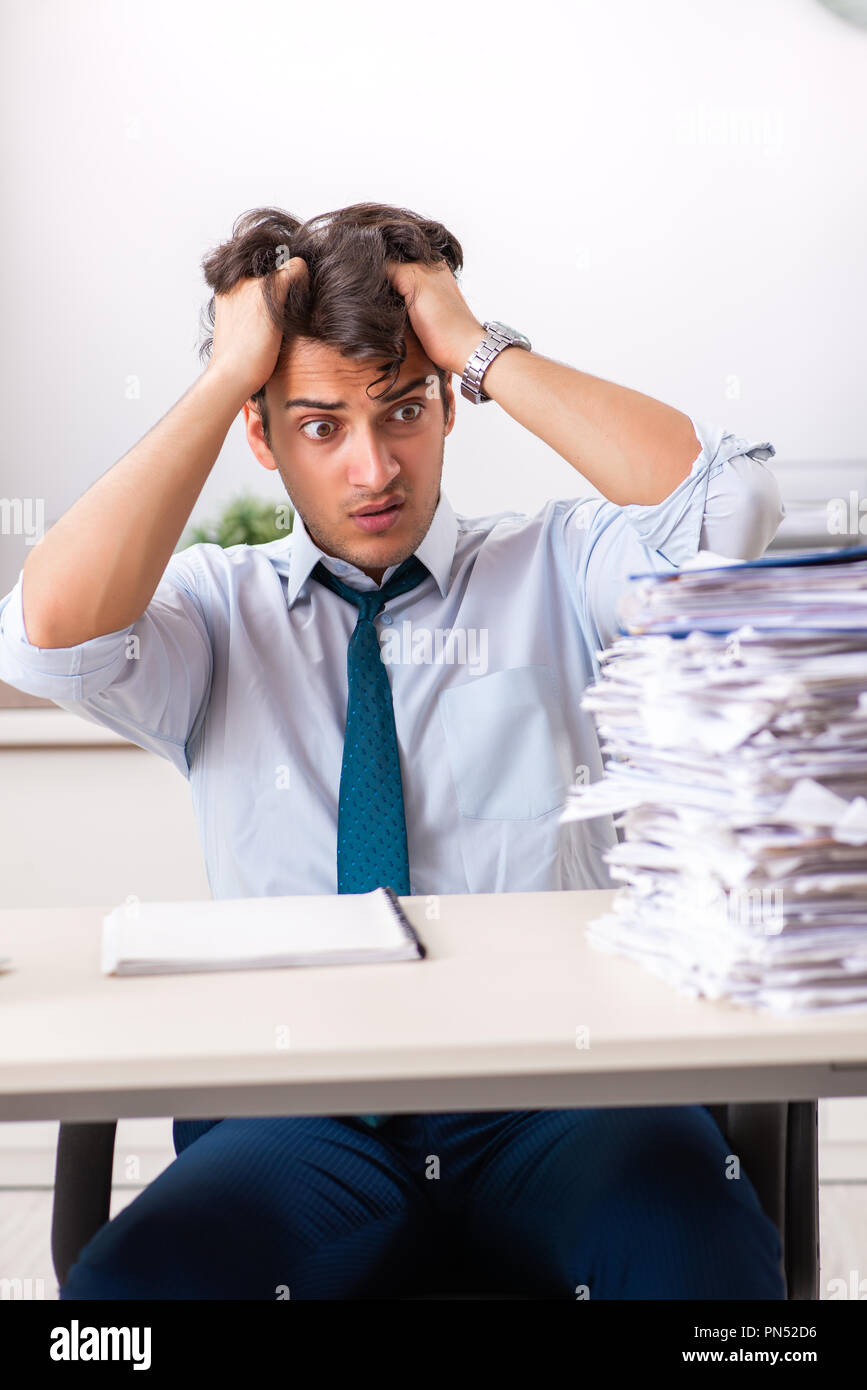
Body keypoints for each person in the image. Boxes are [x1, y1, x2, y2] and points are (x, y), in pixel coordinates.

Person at [0, 203, 787, 1299]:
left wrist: (475, 345)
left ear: (446, 411)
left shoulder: (556, 567)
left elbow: (733, 504)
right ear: (262, 438)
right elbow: (49, 636)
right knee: (131, 1294)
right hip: (299, 1111)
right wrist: (233, 369)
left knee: (700, 1264)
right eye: (321, 425)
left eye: (405, 409)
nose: (375, 467)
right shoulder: (214, 614)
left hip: (559, 1089)